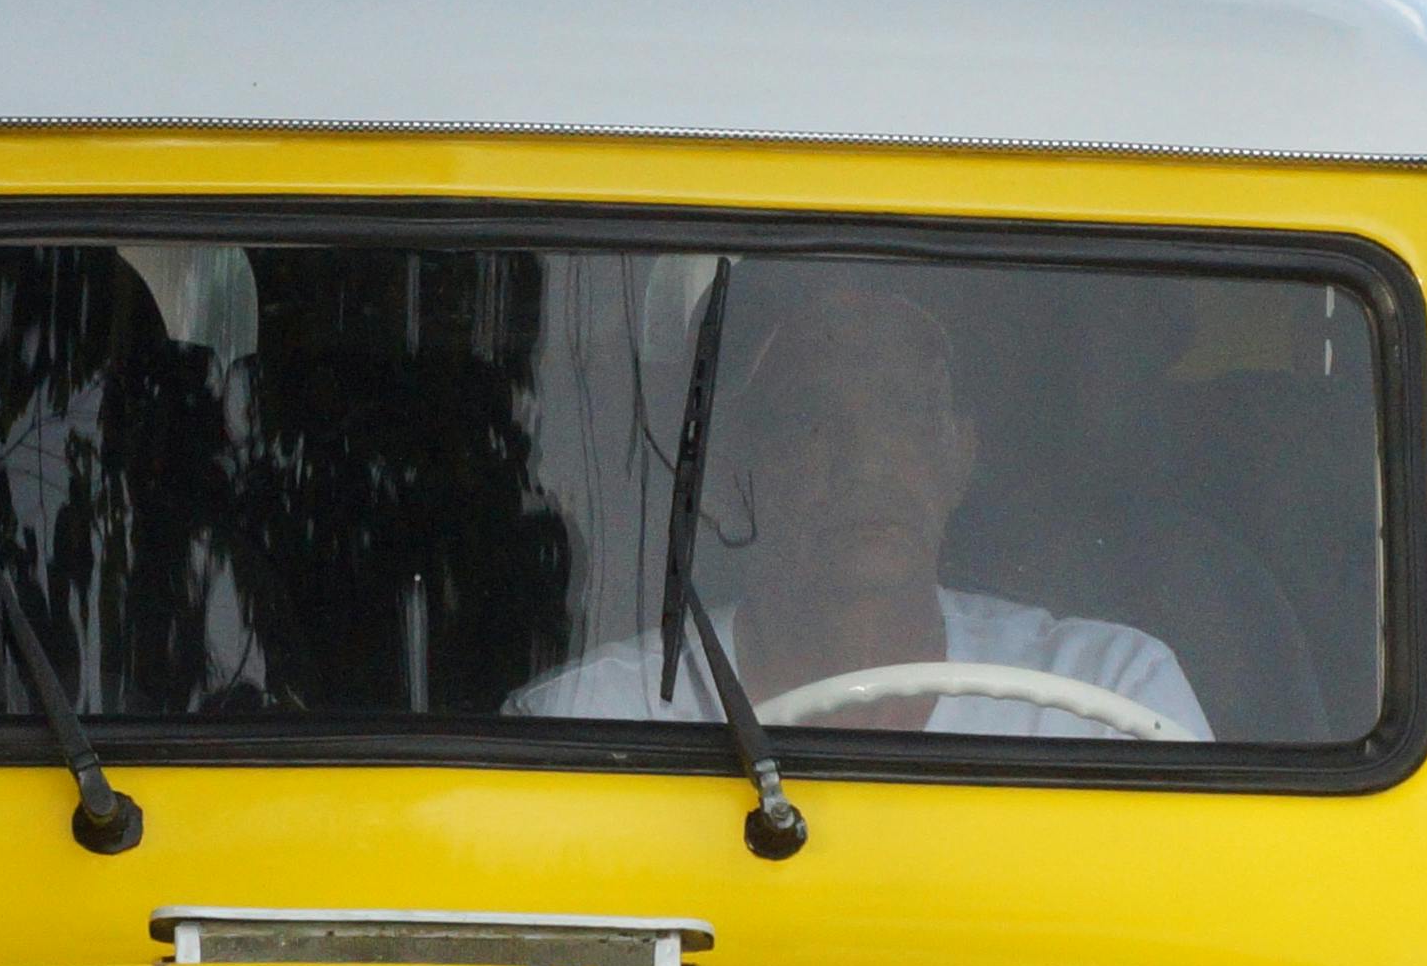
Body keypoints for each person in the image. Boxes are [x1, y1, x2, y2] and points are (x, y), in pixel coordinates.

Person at [515, 279, 1207, 741]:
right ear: (728, 471)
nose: (866, 458)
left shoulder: (1111, 704)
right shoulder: (591, 728)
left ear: (960, 453)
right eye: (812, 419)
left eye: (907, 412)